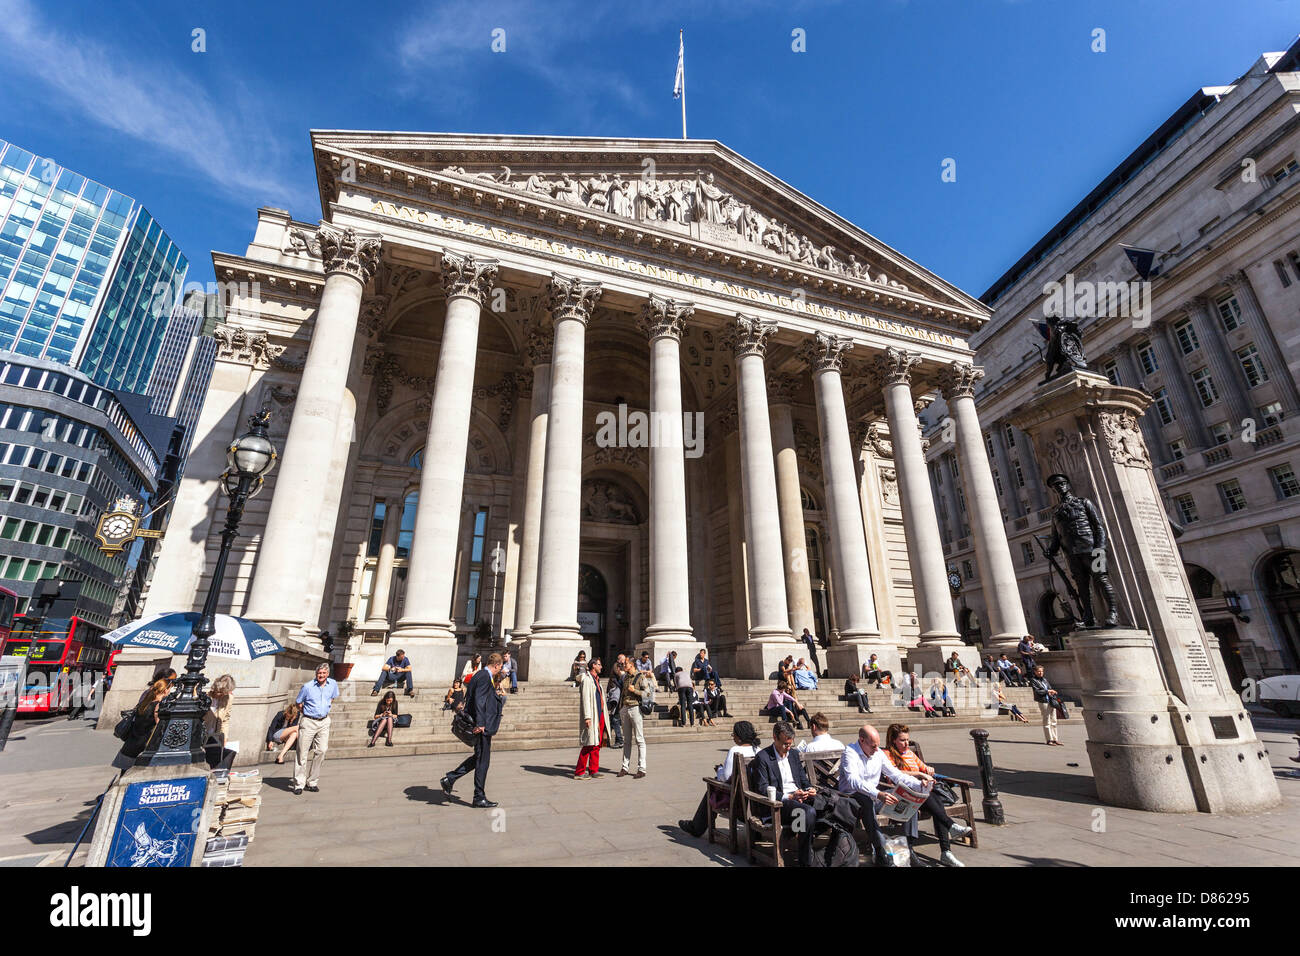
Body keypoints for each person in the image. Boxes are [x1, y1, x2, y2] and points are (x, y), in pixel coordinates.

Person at [885, 723, 972, 867]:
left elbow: (925, 768)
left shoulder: (910, 754)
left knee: (936, 804)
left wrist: (928, 772)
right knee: (935, 804)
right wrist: (919, 774)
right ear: (893, 740)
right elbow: (893, 775)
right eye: (902, 740)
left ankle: (946, 852)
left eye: (907, 739)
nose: (907, 743)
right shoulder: (887, 754)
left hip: (921, 794)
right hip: (902, 794)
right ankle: (950, 837)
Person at [838, 723, 916, 866]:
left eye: (877, 745)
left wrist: (918, 784)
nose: (876, 749)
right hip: (851, 797)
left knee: (906, 797)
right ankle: (882, 852)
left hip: (873, 796)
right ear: (862, 740)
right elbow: (853, 781)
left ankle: (909, 849)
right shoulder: (850, 752)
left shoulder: (878, 753)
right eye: (873, 746)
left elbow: (895, 774)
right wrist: (878, 794)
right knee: (866, 801)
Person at [748, 722, 820, 867]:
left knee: (829, 805)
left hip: (799, 798)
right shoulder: (763, 757)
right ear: (775, 738)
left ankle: (818, 853)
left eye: (790, 744)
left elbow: (803, 780)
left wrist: (810, 789)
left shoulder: (793, 754)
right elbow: (762, 788)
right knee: (807, 812)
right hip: (779, 804)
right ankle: (805, 860)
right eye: (785, 744)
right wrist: (790, 797)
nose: (788, 748)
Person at [441, 652, 505, 807]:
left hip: (479, 722)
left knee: (479, 757)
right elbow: (479, 700)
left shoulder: (480, 675)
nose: (500, 670)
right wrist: (481, 723)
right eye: (500, 667)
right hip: (481, 725)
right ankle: (478, 796)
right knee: (483, 760)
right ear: (496, 665)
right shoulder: (484, 676)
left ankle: (451, 778)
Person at [678, 720, 762, 837]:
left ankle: (697, 827)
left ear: (739, 737)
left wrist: (719, 770)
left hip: (737, 799)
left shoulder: (735, 750)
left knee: (711, 787)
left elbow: (726, 777)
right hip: (755, 799)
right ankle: (697, 825)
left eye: (734, 735)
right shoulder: (759, 751)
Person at [293, 663, 340, 795]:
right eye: (319, 673)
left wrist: (325, 707)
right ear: (316, 674)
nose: (321, 675)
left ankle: (312, 781)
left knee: (322, 750)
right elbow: (298, 702)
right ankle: (299, 783)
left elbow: (333, 697)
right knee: (302, 753)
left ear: (328, 674)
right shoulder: (307, 687)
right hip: (309, 721)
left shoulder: (333, 684)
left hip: (324, 721)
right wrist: (306, 712)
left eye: (324, 673)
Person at [113, 678, 167, 769]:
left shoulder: (145, 702)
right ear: (165, 690)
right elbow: (159, 726)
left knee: (125, 776)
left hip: (130, 745)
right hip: (143, 748)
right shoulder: (157, 705)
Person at [576, 657, 611, 778]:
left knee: (597, 743)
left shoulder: (597, 680)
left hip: (600, 714)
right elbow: (585, 699)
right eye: (599, 665)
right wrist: (587, 717)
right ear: (593, 666)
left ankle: (593, 769)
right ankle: (579, 772)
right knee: (588, 743)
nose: (601, 667)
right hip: (592, 715)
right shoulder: (587, 679)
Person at [619, 657, 652, 778]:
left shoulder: (640, 677)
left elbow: (648, 693)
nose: (624, 665)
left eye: (626, 663)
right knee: (626, 740)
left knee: (639, 739)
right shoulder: (626, 677)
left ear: (632, 665)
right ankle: (624, 767)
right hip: (625, 708)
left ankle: (642, 768)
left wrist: (636, 691)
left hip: (635, 708)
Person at [203, 674, 236, 769]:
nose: (222, 695)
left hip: (215, 735)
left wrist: (225, 737)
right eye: (220, 692)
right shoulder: (206, 697)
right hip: (203, 733)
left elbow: (226, 719)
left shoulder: (229, 698)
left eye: (225, 693)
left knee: (222, 758)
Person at [1028, 664, 1064, 745]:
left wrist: (1052, 691)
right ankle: (1049, 739)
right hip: (1043, 701)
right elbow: (1037, 691)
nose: (1040, 673)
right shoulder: (1033, 680)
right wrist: (1048, 691)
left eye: (1042, 671)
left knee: (1054, 720)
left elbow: (1049, 687)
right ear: (1035, 672)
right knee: (1047, 720)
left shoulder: (1044, 679)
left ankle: (1055, 739)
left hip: (1051, 701)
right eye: (1039, 671)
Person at [606, 654, 626, 748]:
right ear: (619, 660)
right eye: (623, 660)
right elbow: (621, 676)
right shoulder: (617, 666)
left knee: (614, 719)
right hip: (615, 696)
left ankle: (619, 740)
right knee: (613, 719)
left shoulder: (620, 666)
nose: (624, 661)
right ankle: (613, 740)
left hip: (617, 697)